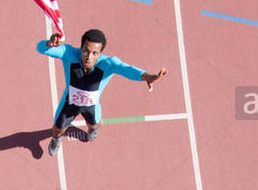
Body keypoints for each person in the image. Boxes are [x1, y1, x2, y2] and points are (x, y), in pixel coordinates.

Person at [37, 28, 167, 155]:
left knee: (94, 125)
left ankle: (92, 130)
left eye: (95, 53)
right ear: (81, 48)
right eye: (86, 51)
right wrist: (48, 44)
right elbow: (40, 48)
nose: (89, 57)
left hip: (91, 107)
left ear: (100, 53)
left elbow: (127, 69)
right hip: (69, 104)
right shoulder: (68, 53)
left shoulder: (108, 63)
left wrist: (147, 76)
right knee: (57, 129)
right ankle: (57, 139)